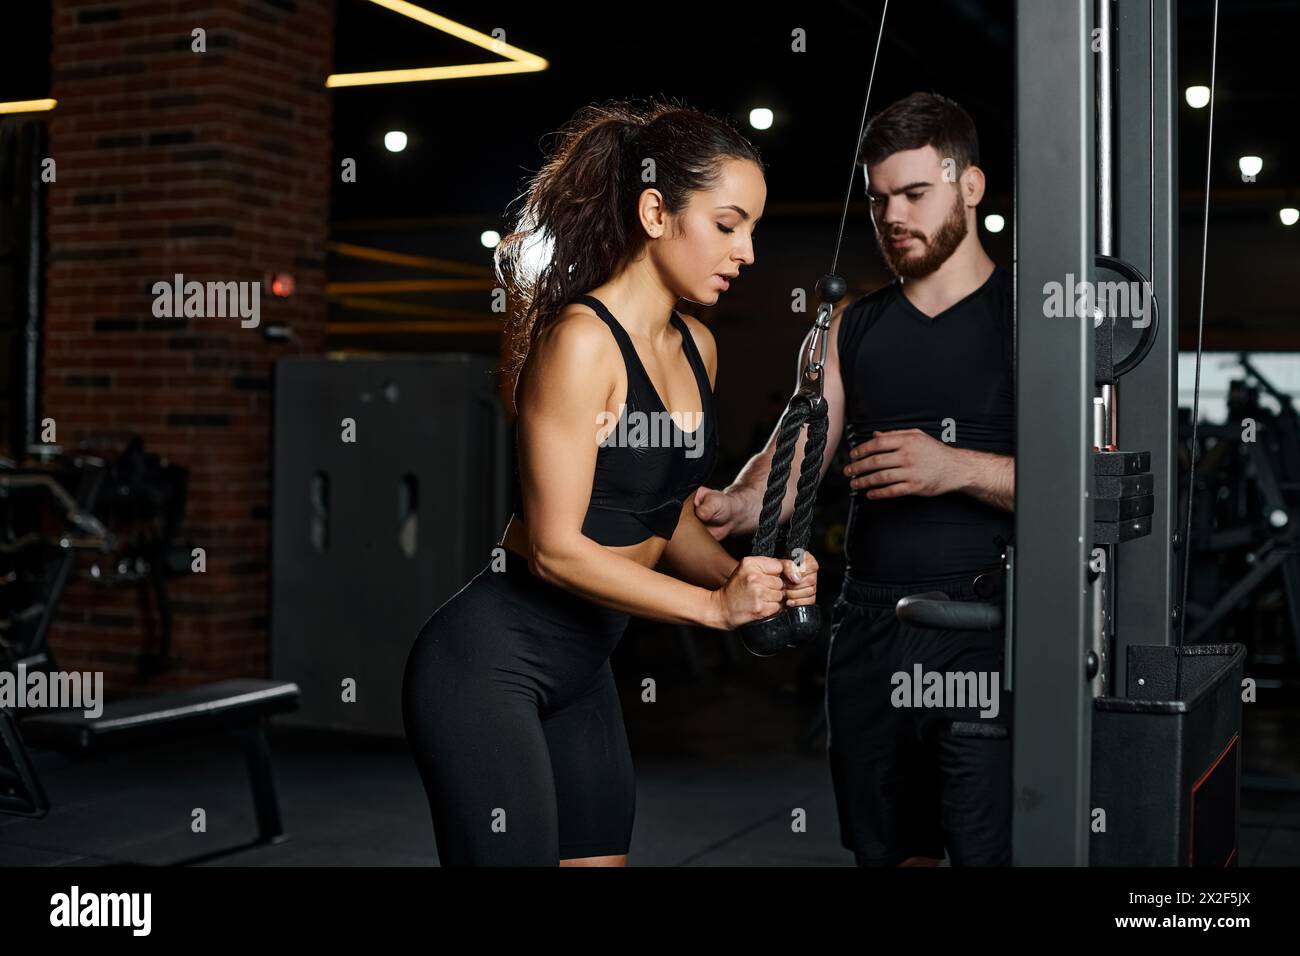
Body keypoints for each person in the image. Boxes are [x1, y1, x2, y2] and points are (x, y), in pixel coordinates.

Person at [402, 99, 820, 867]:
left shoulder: (697, 346)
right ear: (656, 211)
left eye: (753, 229)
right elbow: (559, 551)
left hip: (583, 670)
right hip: (488, 668)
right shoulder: (581, 343)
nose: (748, 252)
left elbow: (664, 515)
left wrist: (752, 582)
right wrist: (713, 609)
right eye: (728, 225)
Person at [695, 92, 1015, 866]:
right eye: (879, 200)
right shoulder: (848, 327)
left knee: (984, 850)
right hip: (869, 627)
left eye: (915, 194)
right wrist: (740, 501)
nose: (893, 216)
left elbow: (1090, 487)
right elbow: (796, 444)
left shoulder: (1031, 319)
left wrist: (956, 468)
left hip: (990, 628)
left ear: (969, 186)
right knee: (889, 852)